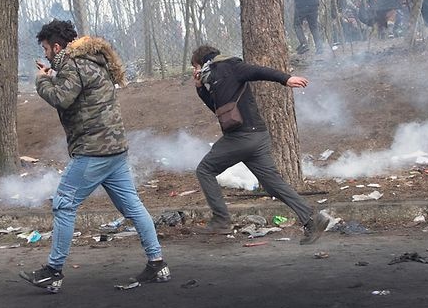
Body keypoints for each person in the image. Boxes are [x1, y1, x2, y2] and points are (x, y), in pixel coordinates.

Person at [18, 20, 169, 293]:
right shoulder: (89, 61)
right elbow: (77, 91)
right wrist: (54, 75)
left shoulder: (73, 65)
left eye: (46, 49)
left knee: (63, 204)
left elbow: (62, 98)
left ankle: (53, 272)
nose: (45, 55)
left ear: (56, 46)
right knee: (132, 206)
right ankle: (158, 264)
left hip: (93, 150)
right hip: (115, 148)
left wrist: (41, 82)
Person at [189, 44, 332, 243]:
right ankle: (311, 219)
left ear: (202, 63)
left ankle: (221, 220)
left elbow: (257, 71)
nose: (195, 72)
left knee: (204, 170)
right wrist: (200, 88)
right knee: (273, 185)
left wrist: (286, 78)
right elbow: (217, 108)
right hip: (257, 137)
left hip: (242, 137)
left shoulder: (229, 66)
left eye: (195, 67)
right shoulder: (214, 78)